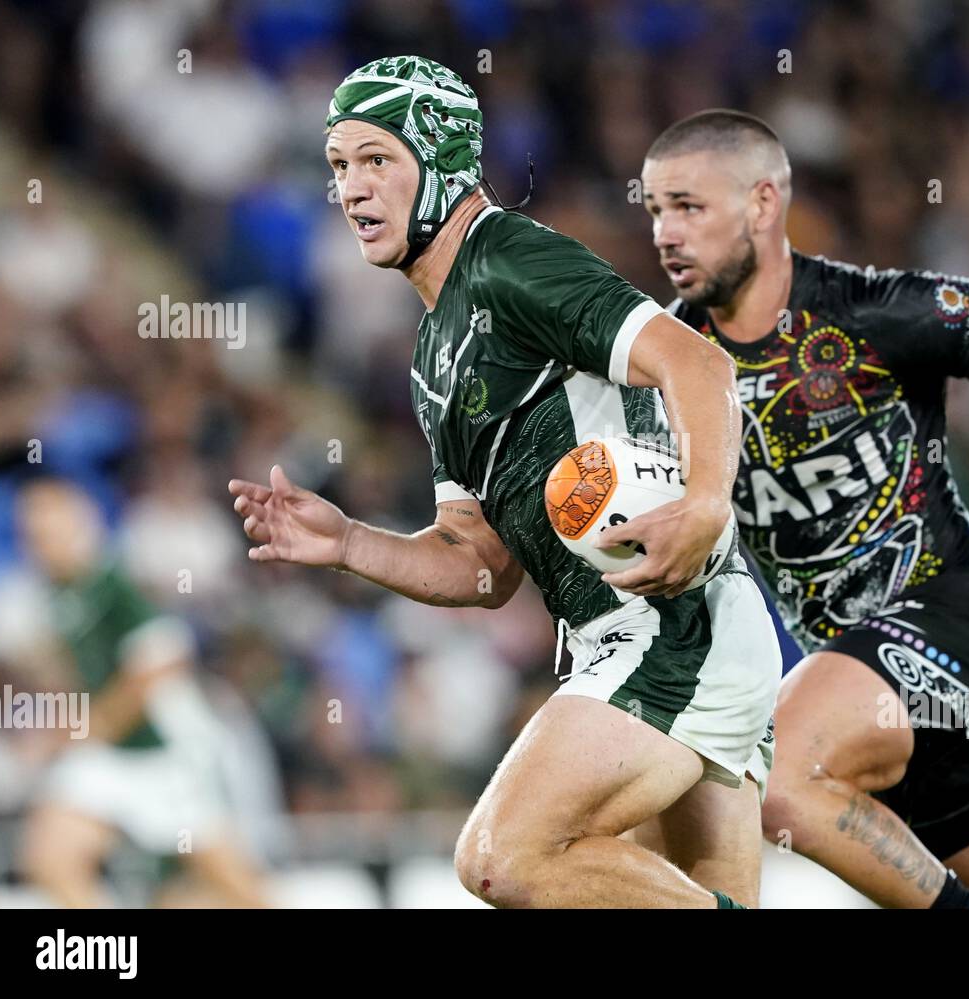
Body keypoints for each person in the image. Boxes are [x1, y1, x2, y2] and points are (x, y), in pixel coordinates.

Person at [229, 56, 781, 908]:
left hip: (669, 623)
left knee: (503, 853)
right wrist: (347, 543)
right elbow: (481, 566)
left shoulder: (508, 257)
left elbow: (696, 363)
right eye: (339, 166)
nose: (351, 189)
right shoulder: (428, 353)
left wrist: (706, 502)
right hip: (636, 636)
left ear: (443, 158)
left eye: (377, 159)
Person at [637, 109, 969, 908]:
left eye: (688, 206)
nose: (666, 233)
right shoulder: (666, 365)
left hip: (957, 617)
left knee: (779, 783)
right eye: (654, 210)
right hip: (868, 689)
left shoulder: (872, 311)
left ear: (763, 205)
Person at [16, 476, 267, 908]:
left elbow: (164, 659)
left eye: (48, 529)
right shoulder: (58, 596)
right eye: (32, 534)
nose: (40, 542)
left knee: (236, 890)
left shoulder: (117, 582)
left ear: (82, 523)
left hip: (167, 754)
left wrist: (92, 725)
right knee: (50, 857)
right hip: (109, 758)